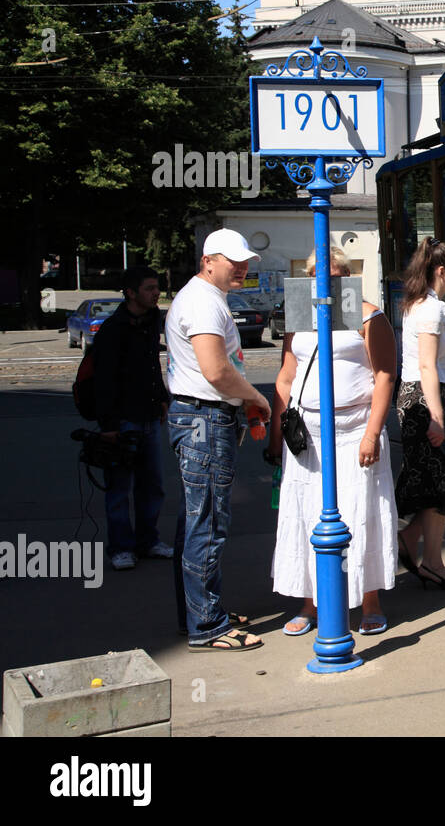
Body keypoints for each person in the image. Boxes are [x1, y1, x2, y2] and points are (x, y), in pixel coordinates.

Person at [267, 247, 398, 636]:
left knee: (362, 511)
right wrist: (277, 432)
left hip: (354, 427)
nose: (326, 281)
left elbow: (385, 376)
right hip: (308, 434)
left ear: (347, 276)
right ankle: (310, 602)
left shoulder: (370, 315)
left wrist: (372, 432)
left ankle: (369, 600)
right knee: (307, 513)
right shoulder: (299, 314)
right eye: (317, 275)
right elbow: (287, 377)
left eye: (335, 275)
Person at [165, 228, 271, 652]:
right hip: (205, 418)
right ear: (208, 260)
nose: (241, 268)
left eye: (244, 261)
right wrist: (256, 396)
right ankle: (206, 624)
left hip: (202, 416)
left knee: (197, 520)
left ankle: (197, 613)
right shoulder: (204, 304)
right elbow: (216, 372)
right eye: (233, 261)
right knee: (207, 523)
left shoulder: (204, 297)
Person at [394, 237, 445, 590]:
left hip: (425, 395)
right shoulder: (429, 309)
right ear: (441, 271)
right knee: (441, 482)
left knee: (437, 483)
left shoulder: (425, 304)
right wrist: (438, 418)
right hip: (425, 398)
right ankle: (433, 562)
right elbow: (427, 365)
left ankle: (413, 545)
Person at [93, 265, 171, 571]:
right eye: (150, 288)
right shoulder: (114, 329)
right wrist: (108, 426)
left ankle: (147, 541)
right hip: (123, 421)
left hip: (150, 416)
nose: (156, 294)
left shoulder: (152, 322)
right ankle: (121, 547)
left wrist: (162, 399)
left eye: (157, 288)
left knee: (152, 485)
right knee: (119, 488)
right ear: (131, 293)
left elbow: (153, 366)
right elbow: (104, 381)